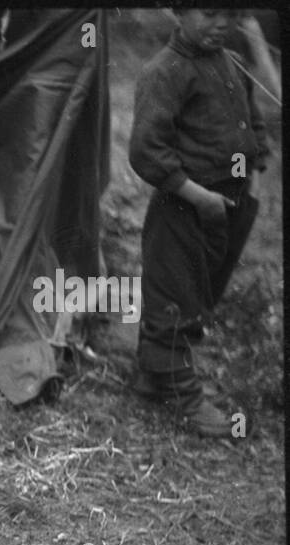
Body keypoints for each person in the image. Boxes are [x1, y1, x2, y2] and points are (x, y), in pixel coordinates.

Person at [129, 8, 269, 436]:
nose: (221, 24)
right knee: (174, 296)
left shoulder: (231, 63)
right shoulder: (165, 71)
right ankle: (189, 402)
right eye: (208, 13)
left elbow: (251, 123)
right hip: (184, 205)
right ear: (178, 12)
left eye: (230, 14)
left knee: (202, 290)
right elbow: (147, 149)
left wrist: (252, 177)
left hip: (230, 201)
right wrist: (197, 195)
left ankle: (153, 377)